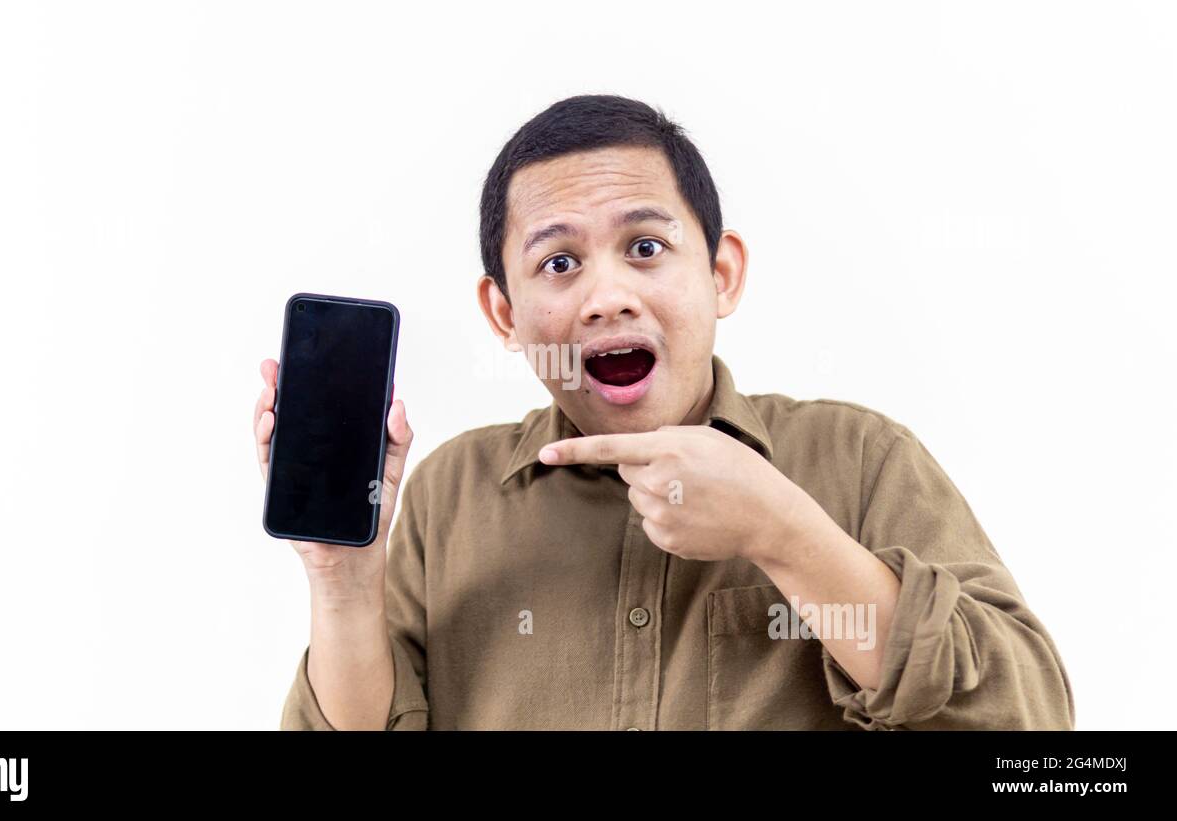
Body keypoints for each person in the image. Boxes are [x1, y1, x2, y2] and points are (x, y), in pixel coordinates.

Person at [253, 94, 1074, 730]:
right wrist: (342, 581)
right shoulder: (449, 495)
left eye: (645, 248)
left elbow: (1029, 728)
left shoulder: (860, 457)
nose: (607, 297)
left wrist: (783, 534)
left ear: (721, 274)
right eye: (560, 261)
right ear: (504, 314)